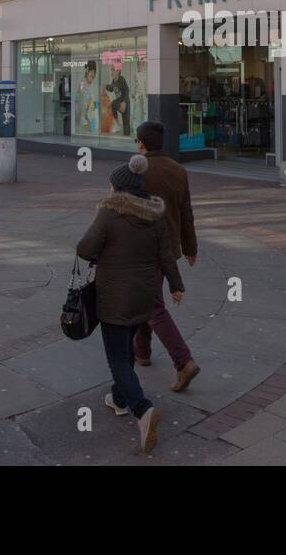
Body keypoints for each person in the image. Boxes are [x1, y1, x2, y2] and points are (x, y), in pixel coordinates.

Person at [76, 153, 183, 454]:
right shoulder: (155, 214)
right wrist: (176, 286)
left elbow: (85, 249)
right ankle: (119, 399)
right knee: (125, 350)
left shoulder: (110, 213)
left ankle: (142, 409)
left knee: (119, 359)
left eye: (111, 186)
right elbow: (166, 255)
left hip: (113, 298)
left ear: (119, 189)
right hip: (143, 297)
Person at [132, 121, 202, 393]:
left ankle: (183, 361)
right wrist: (190, 247)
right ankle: (142, 351)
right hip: (169, 247)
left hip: (143, 246)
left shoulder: (137, 169)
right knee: (147, 297)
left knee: (152, 306)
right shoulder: (178, 170)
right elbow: (186, 213)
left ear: (141, 143)